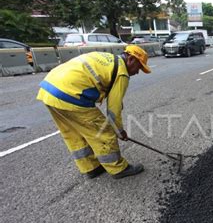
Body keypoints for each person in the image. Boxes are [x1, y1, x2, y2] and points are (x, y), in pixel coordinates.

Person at [37, 45, 151, 179]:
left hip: (49, 90)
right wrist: (119, 131)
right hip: (70, 94)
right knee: (104, 132)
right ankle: (118, 168)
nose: (137, 72)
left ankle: (91, 167)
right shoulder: (122, 72)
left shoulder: (108, 59)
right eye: (138, 67)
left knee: (73, 132)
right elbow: (113, 110)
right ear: (131, 59)